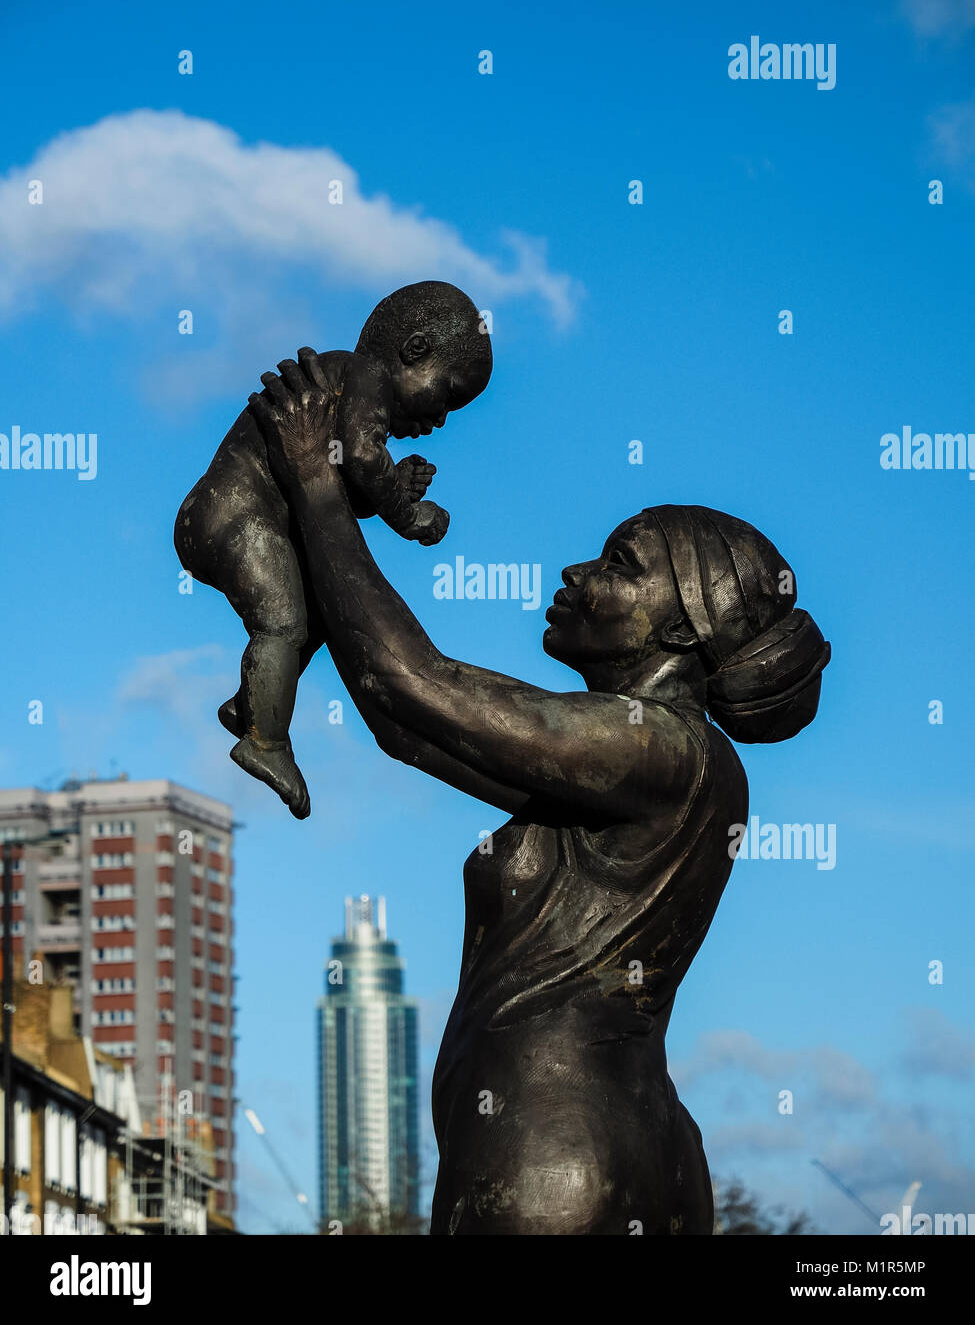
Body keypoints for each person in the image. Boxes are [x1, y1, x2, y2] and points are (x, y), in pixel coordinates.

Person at [249, 351, 830, 1235]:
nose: (575, 575)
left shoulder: (659, 748)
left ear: (679, 625)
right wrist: (304, 523)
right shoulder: (652, 767)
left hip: (554, 1159)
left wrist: (317, 483)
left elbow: (414, 683)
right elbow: (402, 722)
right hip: (618, 1145)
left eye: (617, 564)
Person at [174, 282, 492, 818]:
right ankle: (265, 742)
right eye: (445, 395)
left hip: (243, 519)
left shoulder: (345, 390)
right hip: (230, 516)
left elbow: (333, 487)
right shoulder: (361, 375)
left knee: (317, 614)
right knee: (282, 623)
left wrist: (387, 487)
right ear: (414, 351)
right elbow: (365, 459)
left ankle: (253, 703)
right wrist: (408, 514)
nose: (440, 419)